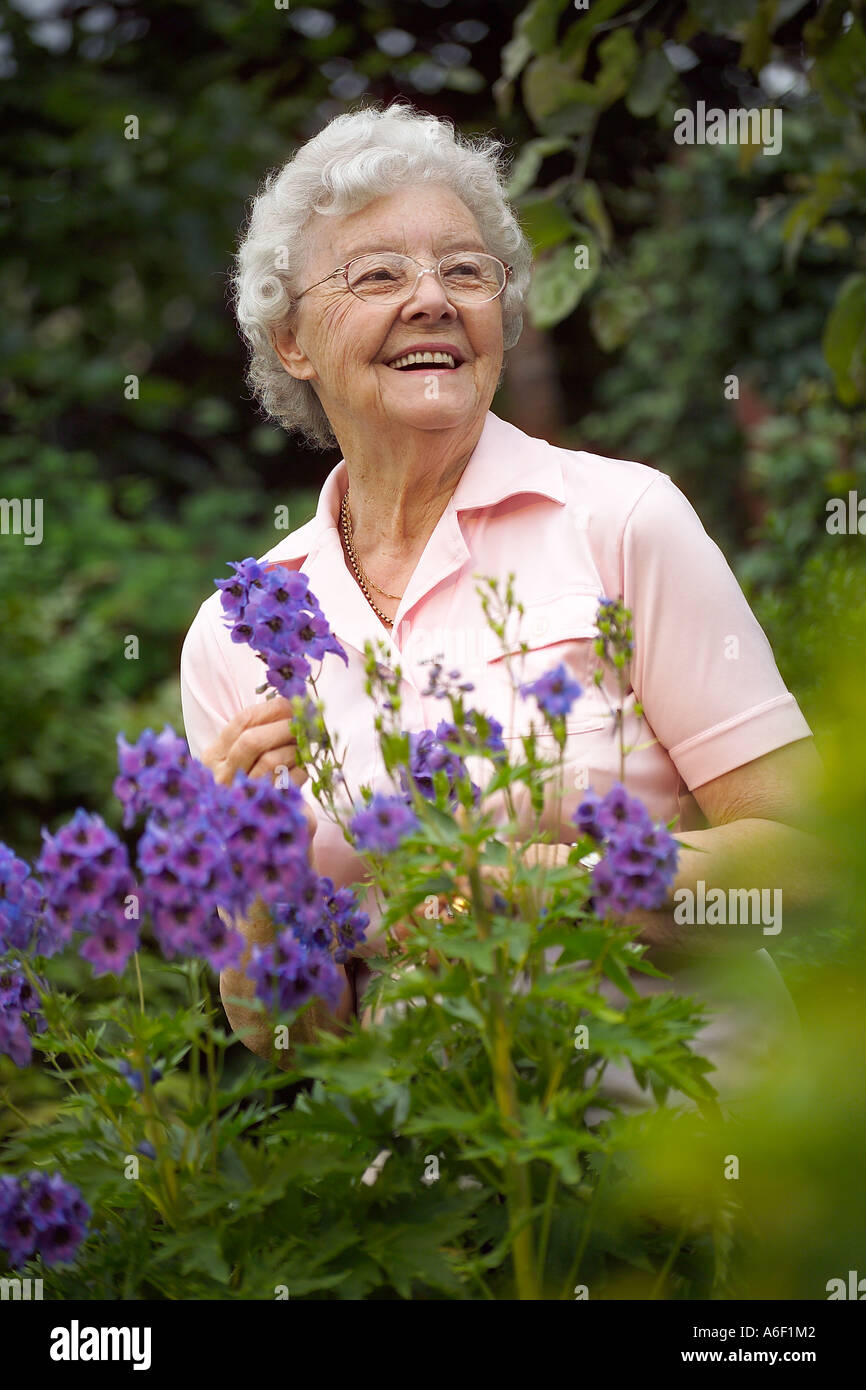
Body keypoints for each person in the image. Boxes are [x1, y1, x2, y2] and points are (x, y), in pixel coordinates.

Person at [180, 101, 825, 1110]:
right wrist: (251, 893)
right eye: (378, 274)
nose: (432, 298)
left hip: (682, 1162)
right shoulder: (241, 626)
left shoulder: (620, 519)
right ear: (290, 340)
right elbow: (284, 1036)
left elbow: (805, 859)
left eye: (465, 271)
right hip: (424, 1201)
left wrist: (534, 882)